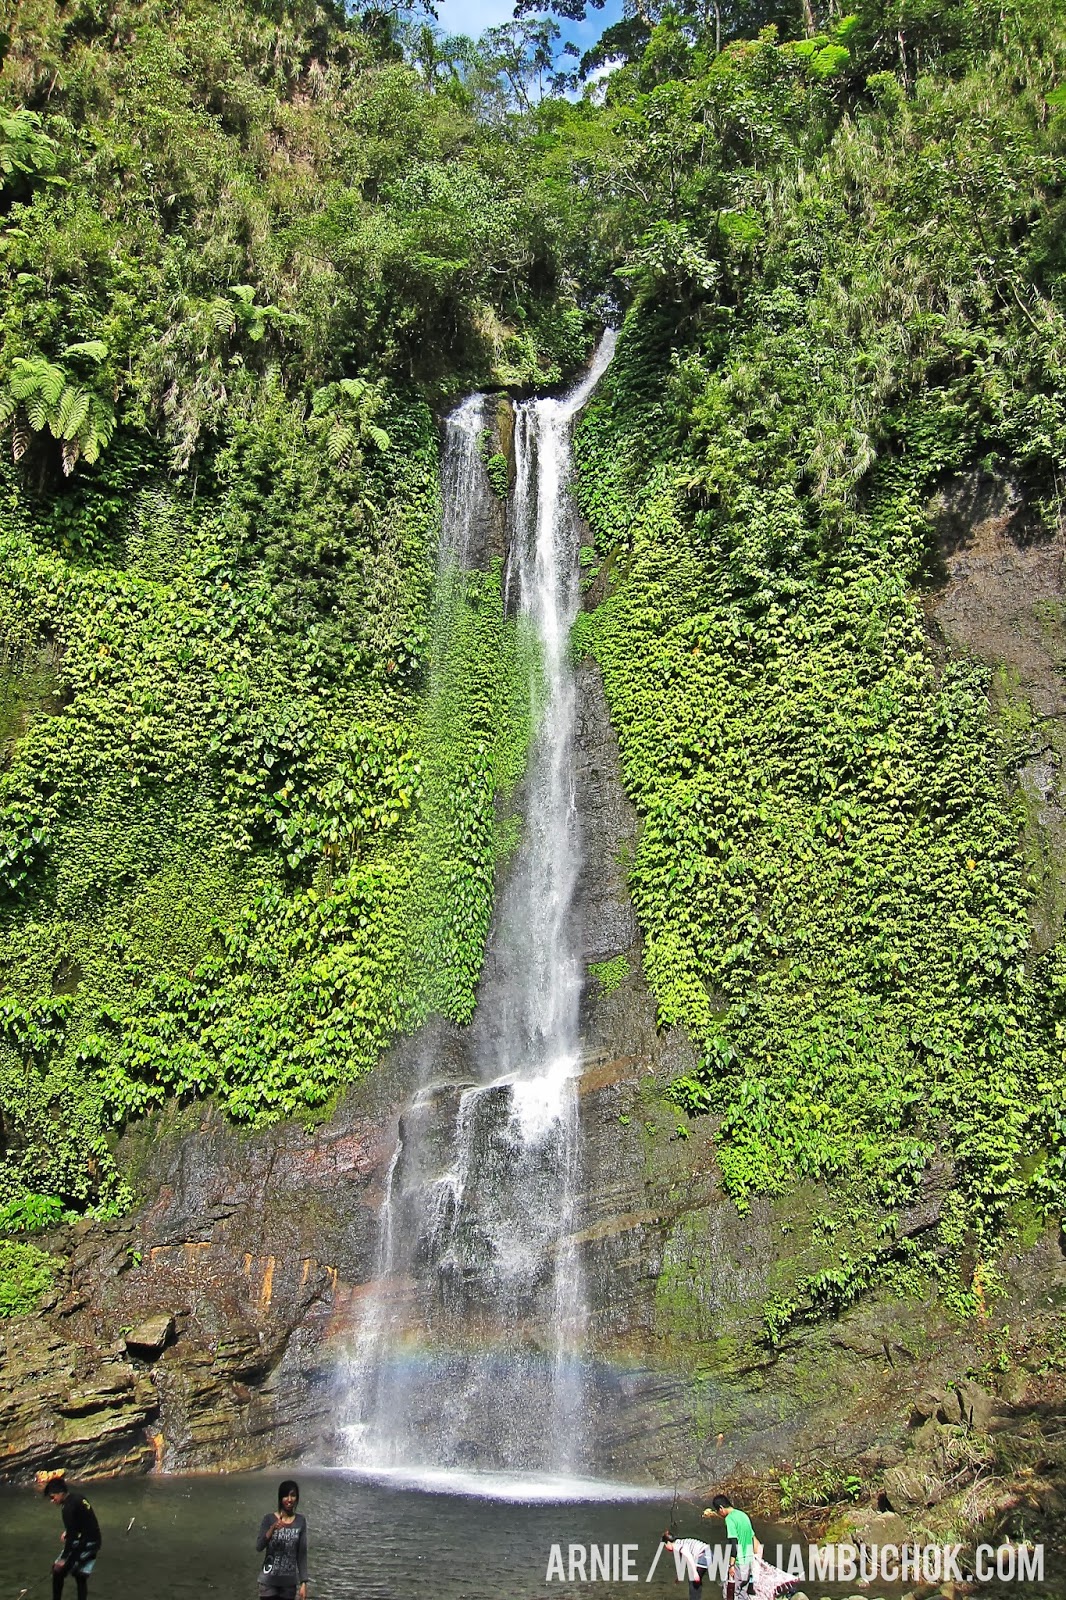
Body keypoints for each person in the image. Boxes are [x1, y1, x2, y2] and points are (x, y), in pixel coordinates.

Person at [42, 1476, 102, 1600]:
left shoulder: (67, 1508)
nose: (52, 1501)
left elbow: (72, 1538)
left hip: (86, 1544)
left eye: (53, 1497)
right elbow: (86, 1520)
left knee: (58, 1571)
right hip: (95, 1540)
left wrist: (63, 1559)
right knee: (80, 1575)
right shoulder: (79, 1498)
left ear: (61, 1493)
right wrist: (69, 1531)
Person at [257, 1479, 308, 1600]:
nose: (289, 1499)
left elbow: (301, 1554)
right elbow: (259, 1546)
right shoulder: (268, 1519)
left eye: (293, 1495)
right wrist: (272, 1529)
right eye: (286, 1495)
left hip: (289, 1584)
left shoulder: (300, 1521)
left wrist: (303, 1582)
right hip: (268, 1582)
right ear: (280, 1498)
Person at [703, 1495, 761, 1597]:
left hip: (739, 1562)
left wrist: (731, 1565)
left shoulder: (729, 1519)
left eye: (718, 1511)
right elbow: (754, 1539)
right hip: (749, 1562)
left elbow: (733, 1542)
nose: (719, 1514)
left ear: (721, 1508)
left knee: (729, 1593)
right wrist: (757, 1559)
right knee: (743, 1593)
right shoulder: (743, 1515)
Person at [662, 1531, 715, 1600]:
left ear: (668, 1543)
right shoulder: (679, 1542)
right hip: (708, 1553)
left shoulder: (676, 1546)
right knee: (695, 1582)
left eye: (665, 1546)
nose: (666, 1548)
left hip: (703, 1555)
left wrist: (695, 1573)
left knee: (693, 1580)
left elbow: (689, 1556)